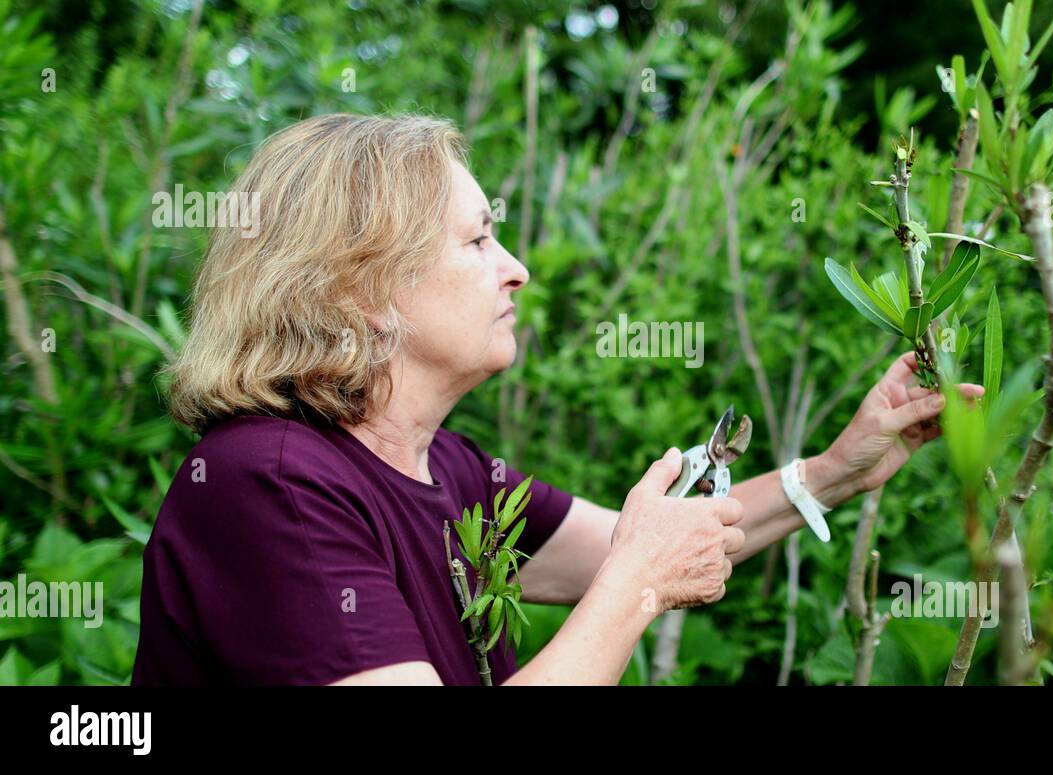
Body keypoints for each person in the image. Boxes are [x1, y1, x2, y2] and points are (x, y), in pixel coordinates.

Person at [130, 113, 982, 686]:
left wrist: (833, 471)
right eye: (478, 240)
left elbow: (635, 546)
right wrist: (640, 583)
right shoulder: (268, 484)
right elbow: (635, 568)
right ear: (363, 288)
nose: (517, 268)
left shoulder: (444, 467)